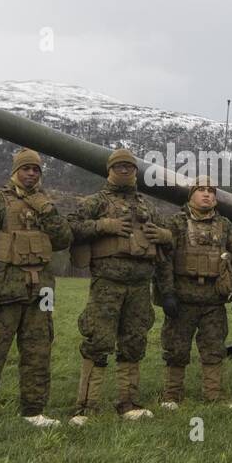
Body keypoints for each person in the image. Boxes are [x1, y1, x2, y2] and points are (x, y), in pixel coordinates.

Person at [0, 148, 73, 436]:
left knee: (38, 355)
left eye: (36, 169)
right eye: (26, 169)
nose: (31, 174)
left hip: (40, 295)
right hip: (3, 294)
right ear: (15, 171)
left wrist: (45, 209)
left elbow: (63, 239)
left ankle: (33, 411)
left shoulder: (45, 203)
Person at [68, 149, 172, 423]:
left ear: (136, 171)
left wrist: (162, 234)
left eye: (129, 166)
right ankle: (87, 407)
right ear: (109, 170)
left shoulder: (147, 206)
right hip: (107, 284)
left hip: (140, 286)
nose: (125, 170)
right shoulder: (96, 202)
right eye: (119, 166)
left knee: (134, 342)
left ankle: (129, 403)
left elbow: (172, 236)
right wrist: (104, 225)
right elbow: (71, 227)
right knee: (98, 341)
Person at [153, 175, 232, 407]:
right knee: (176, 349)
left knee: (214, 349)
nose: (207, 194)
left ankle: (213, 395)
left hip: (213, 302)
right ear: (192, 195)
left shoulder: (226, 226)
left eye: (211, 191)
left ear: (216, 199)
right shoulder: (175, 223)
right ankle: (172, 395)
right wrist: (167, 293)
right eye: (201, 190)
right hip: (182, 299)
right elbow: (164, 260)